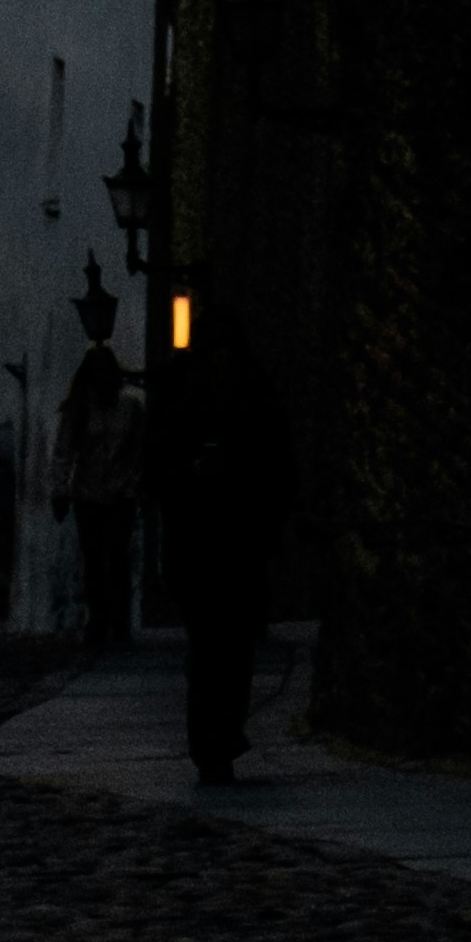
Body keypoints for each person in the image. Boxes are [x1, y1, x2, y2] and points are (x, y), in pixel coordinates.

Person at [156, 306, 294, 784]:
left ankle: (212, 740)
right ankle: (219, 737)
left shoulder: (196, 393)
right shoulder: (249, 393)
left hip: (215, 542)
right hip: (228, 543)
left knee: (215, 649)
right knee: (228, 650)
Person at [49, 334, 144, 649]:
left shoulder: (131, 406)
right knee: (93, 559)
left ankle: (119, 623)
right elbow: (64, 451)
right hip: (88, 494)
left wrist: (133, 482)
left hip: (121, 492)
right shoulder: (79, 409)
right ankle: (99, 621)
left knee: (117, 557)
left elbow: (140, 449)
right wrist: (60, 490)